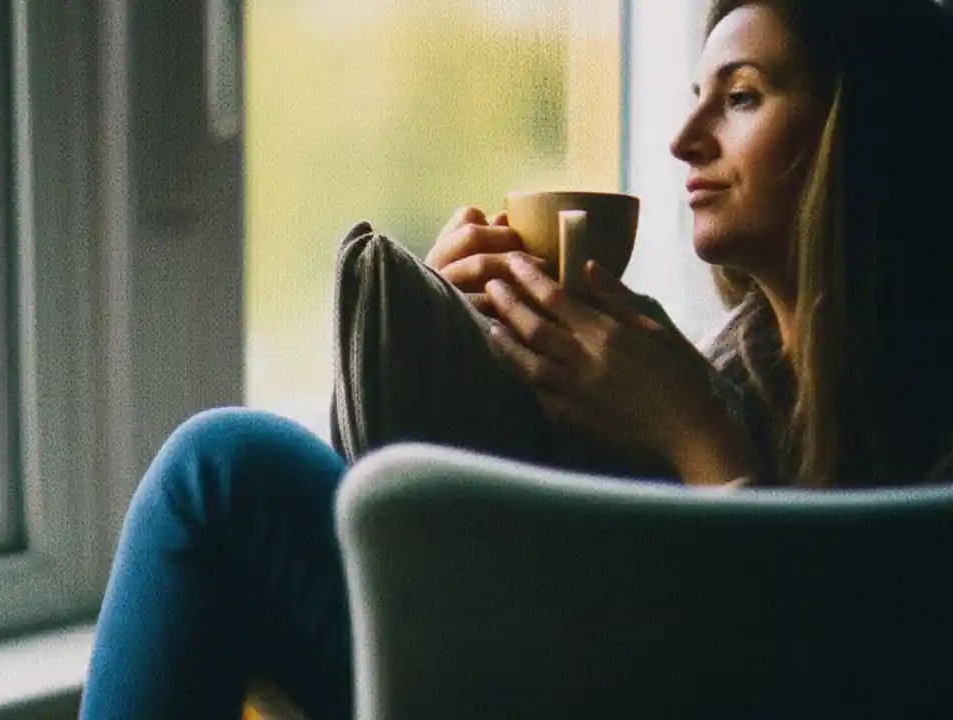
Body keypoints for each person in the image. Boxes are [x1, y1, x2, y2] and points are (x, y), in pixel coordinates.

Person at [79, 1, 953, 717]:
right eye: (695, 92)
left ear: (862, 129)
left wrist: (696, 437)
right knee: (227, 470)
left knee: (219, 473)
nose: (685, 137)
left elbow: (817, 681)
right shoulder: (740, 371)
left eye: (743, 96)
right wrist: (436, 352)